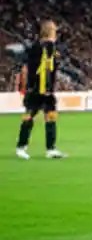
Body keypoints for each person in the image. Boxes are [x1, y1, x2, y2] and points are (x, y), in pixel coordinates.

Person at [15, 20, 66, 160]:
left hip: (42, 89)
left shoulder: (37, 47)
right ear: (50, 31)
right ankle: (23, 147)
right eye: (54, 30)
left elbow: (28, 66)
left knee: (48, 117)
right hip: (38, 88)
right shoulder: (47, 47)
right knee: (31, 116)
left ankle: (49, 149)